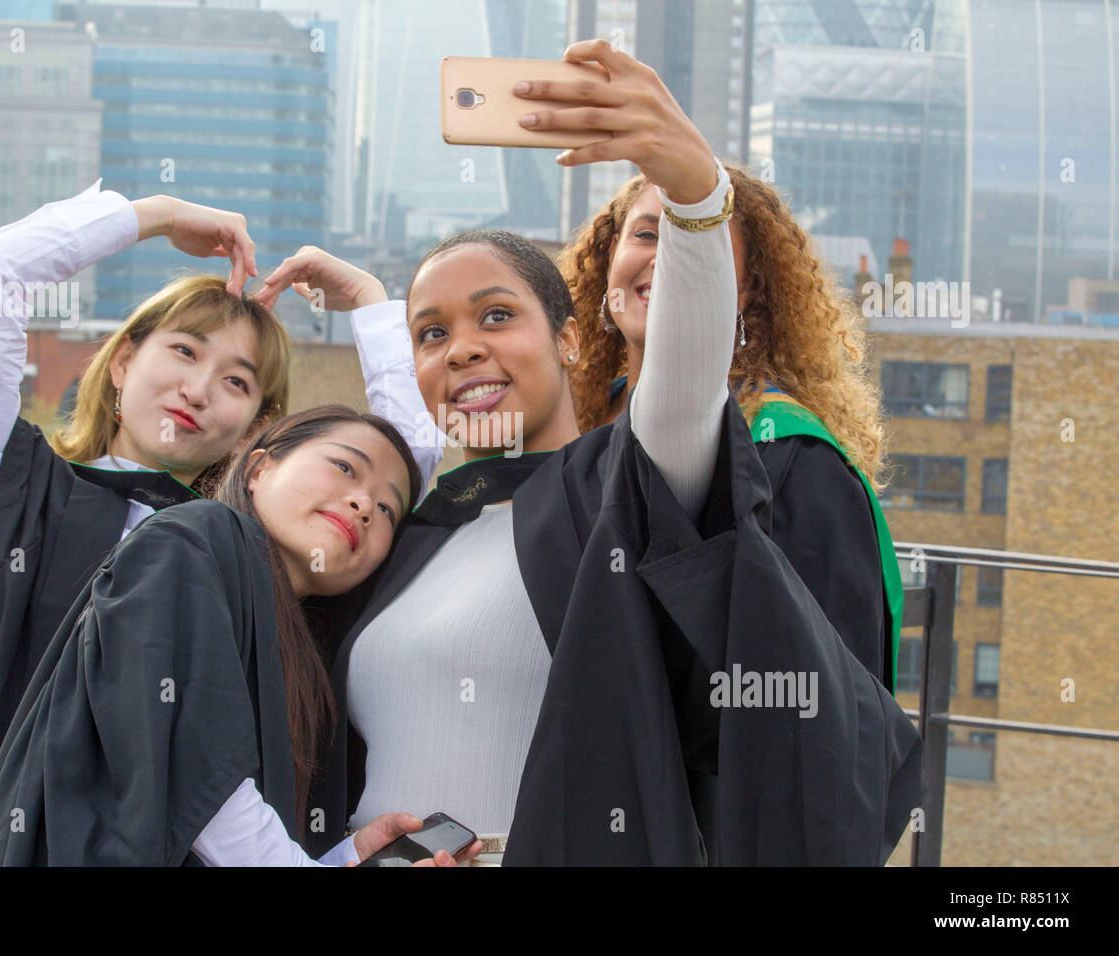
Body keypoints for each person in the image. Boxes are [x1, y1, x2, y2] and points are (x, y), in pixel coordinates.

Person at [258, 41, 921, 865]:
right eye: (432, 333)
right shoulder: (420, 523)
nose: (462, 349)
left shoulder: (624, 489)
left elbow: (681, 385)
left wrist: (694, 195)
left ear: (571, 337)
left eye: (497, 316)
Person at [0, 185, 437, 866]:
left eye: (237, 382)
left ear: (253, 438)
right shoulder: (19, 499)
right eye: (183, 351)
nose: (199, 390)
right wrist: (158, 216)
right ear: (120, 363)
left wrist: (371, 303)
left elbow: (392, 477)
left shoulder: (241, 556)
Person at [0, 405, 481, 866]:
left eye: (387, 508)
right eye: (344, 467)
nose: (364, 505)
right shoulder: (193, 536)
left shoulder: (305, 649)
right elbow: (194, 764)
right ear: (258, 467)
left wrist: (347, 855)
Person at [562, 163, 902, 690]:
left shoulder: (796, 458)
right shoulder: (578, 418)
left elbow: (830, 686)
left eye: (701, 241)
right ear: (610, 261)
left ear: (744, 291)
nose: (668, 257)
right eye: (647, 233)